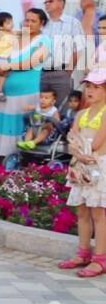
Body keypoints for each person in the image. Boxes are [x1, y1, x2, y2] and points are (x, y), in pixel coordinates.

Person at [59, 68, 106, 277]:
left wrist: (78, 147)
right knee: (82, 210)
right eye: (88, 86)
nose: (90, 91)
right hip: (80, 165)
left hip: (99, 166)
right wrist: (77, 149)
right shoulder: (81, 114)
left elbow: (96, 143)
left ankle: (100, 258)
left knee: (98, 213)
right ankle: (83, 252)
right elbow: (71, 140)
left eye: (96, 87)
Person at [0, 8, 52, 162]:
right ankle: (2, 165)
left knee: (20, 129)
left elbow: (31, 62)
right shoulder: (17, 39)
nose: (29, 23)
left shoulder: (44, 41)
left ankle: (18, 166)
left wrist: (6, 66)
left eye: (33, 21)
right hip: (6, 92)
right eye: (27, 20)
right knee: (4, 129)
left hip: (26, 93)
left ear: (42, 23)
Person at [42, 0, 85, 109]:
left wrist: (68, 71)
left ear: (61, 3)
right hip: (40, 73)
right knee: (41, 109)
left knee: (62, 108)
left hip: (62, 73)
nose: (46, 4)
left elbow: (79, 48)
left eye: (50, 1)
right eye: (45, 2)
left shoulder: (73, 23)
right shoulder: (42, 23)